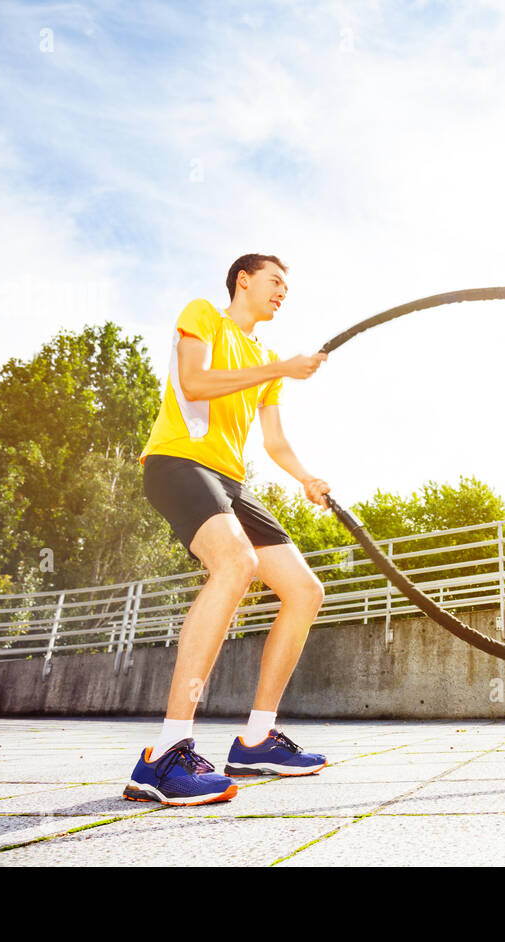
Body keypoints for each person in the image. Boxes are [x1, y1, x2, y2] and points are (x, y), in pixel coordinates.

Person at [122, 253, 331, 805]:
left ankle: (258, 737)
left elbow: (274, 441)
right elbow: (192, 383)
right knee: (236, 564)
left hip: (232, 481)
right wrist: (279, 368)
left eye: (288, 286)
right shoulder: (204, 316)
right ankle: (165, 754)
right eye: (275, 281)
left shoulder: (264, 358)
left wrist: (307, 477)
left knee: (305, 590)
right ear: (244, 279)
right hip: (177, 463)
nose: (282, 292)